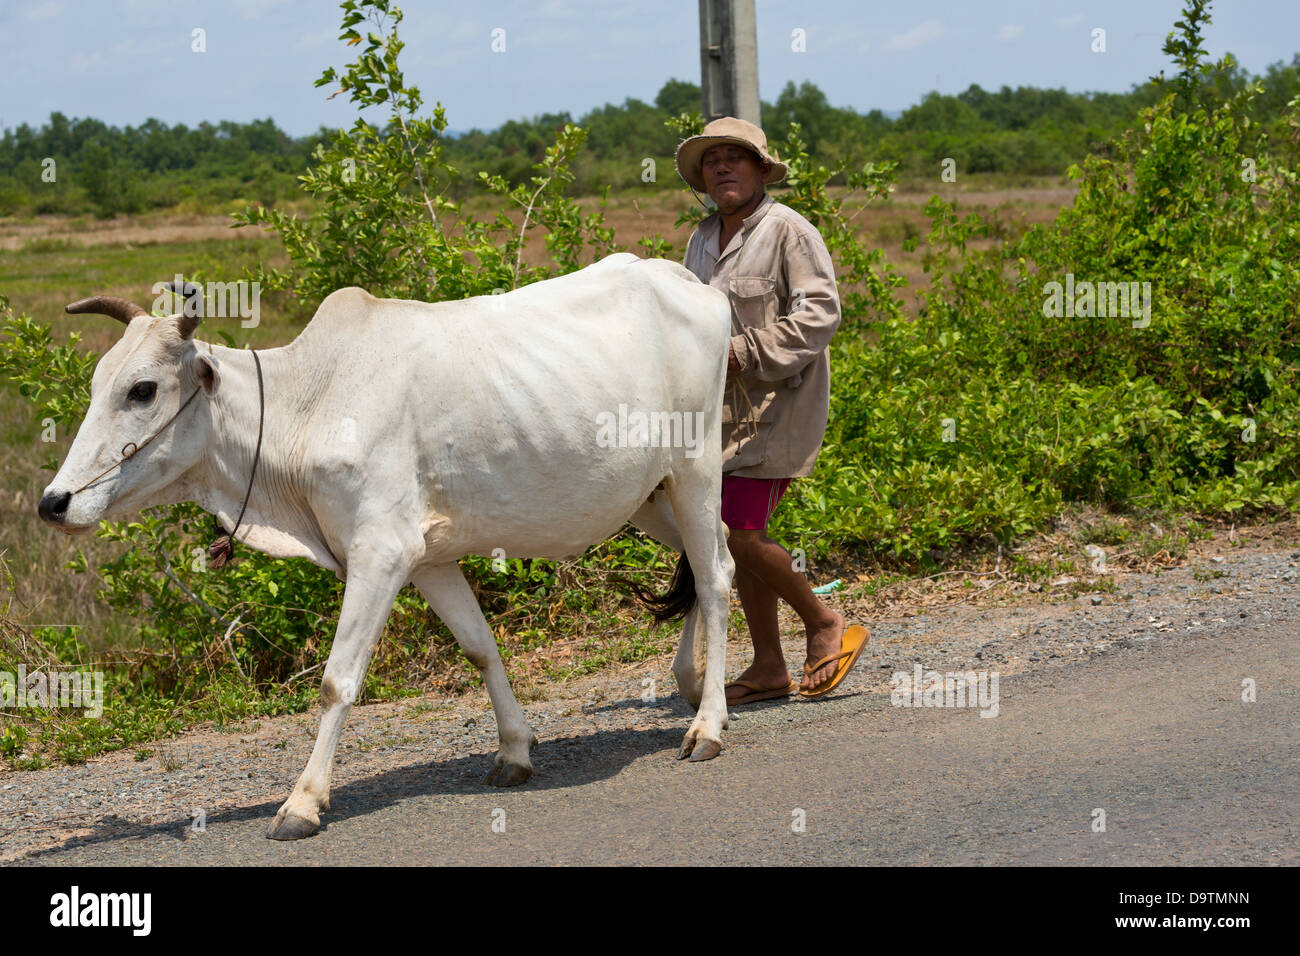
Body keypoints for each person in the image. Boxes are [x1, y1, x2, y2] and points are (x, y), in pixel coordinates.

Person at [674, 116, 869, 706]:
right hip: (718, 412)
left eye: (737, 157)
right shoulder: (702, 238)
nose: (724, 167)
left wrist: (745, 351)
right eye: (713, 160)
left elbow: (819, 314)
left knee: (737, 530)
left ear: (762, 170)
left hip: (776, 402)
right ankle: (767, 665)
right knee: (732, 535)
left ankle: (822, 620)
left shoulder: (789, 231)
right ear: (703, 177)